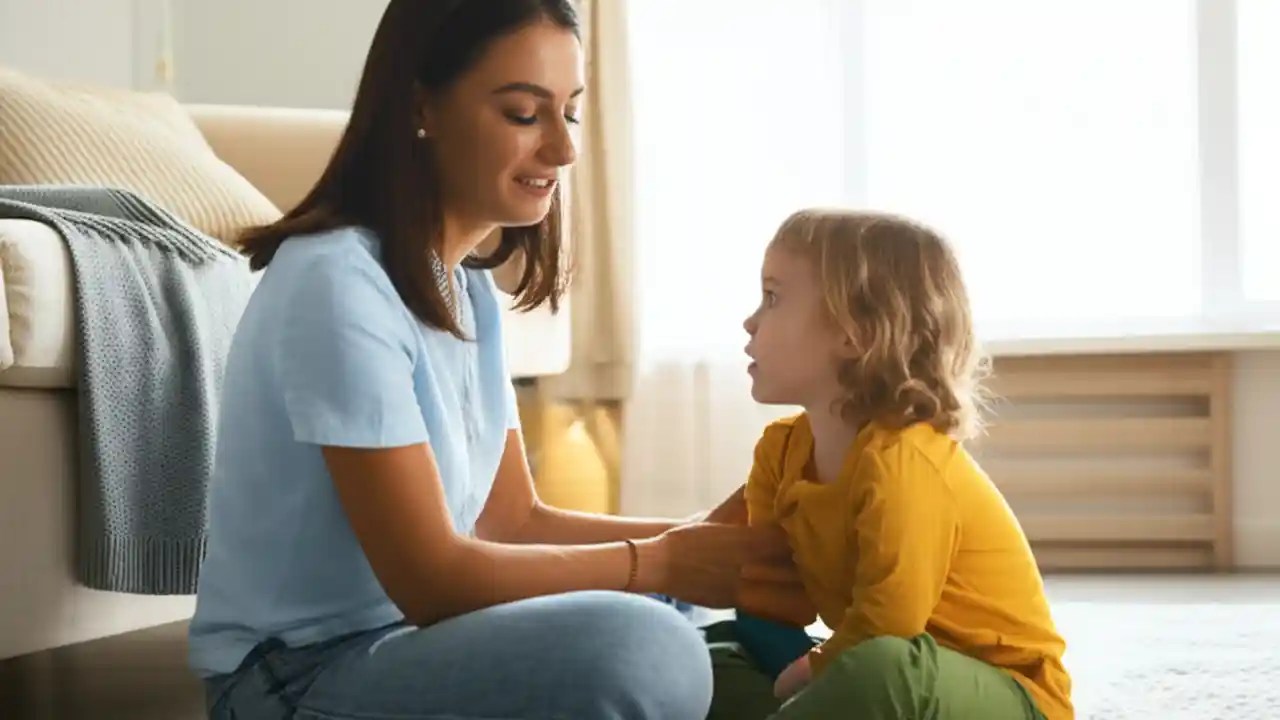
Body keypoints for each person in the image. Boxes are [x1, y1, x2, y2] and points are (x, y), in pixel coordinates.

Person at [187, 2, 810, 718]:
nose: (564, 150)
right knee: (646, 643)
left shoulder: (468, 290)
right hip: (293, 678)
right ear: (421, 106)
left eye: (569, 114)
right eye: (523, 114)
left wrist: (694, 538)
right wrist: (666, 560)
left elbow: (511, 521)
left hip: (409, 643)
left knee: (678, 615)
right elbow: (431, 580)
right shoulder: (334, 281)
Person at [727, 209, 1074, 719]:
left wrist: (815, 671)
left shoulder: (902, 462)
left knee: (884, 667)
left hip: (1006, 695)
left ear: (854, 333)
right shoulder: (779, 452)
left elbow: (889, 628)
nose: (750, 320)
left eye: (773, 297)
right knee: (714, 654)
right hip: (868, 670)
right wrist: (759, 631)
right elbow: (774, 594)